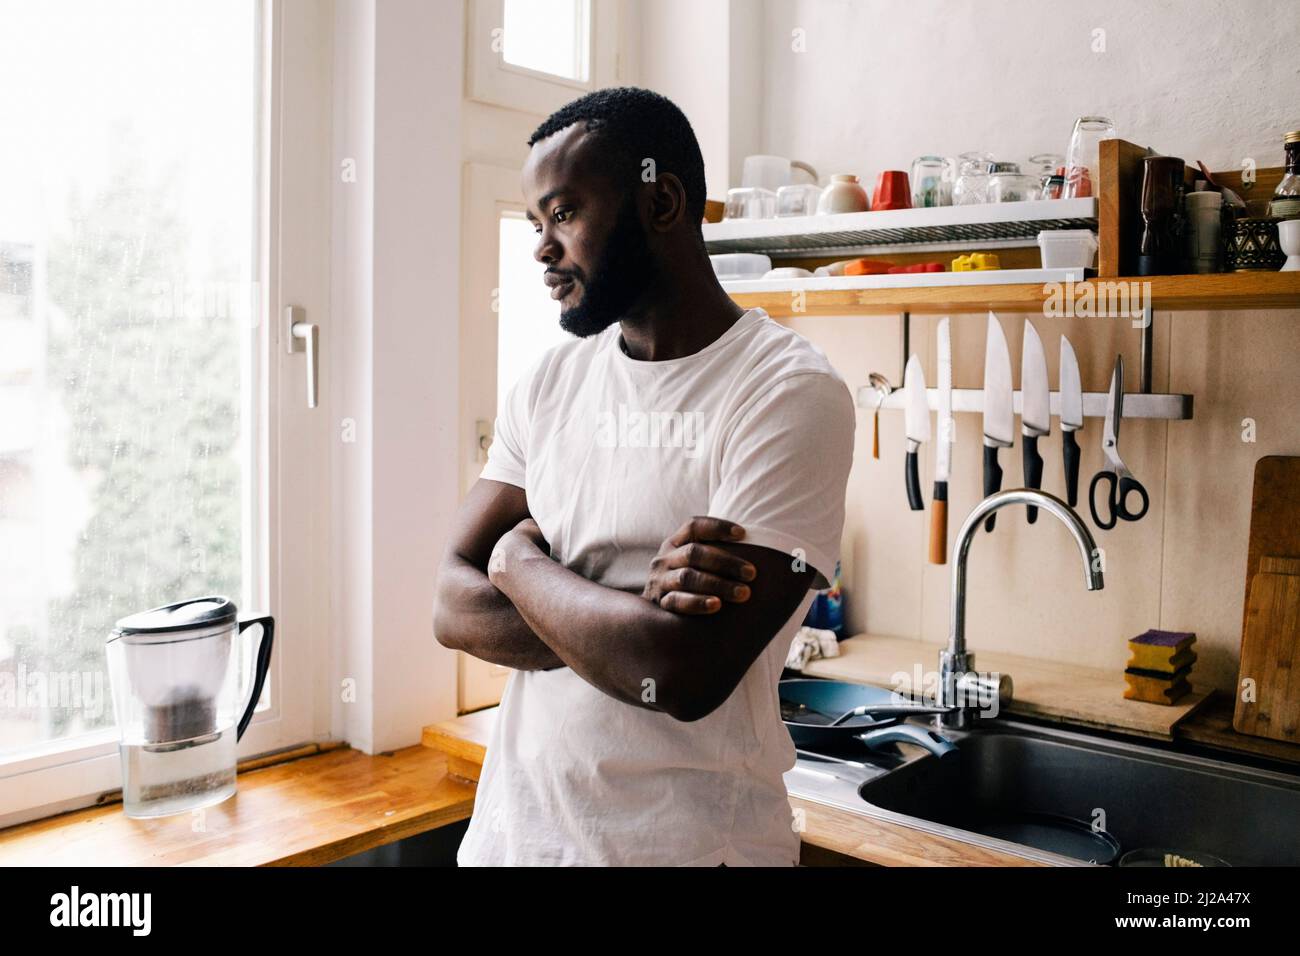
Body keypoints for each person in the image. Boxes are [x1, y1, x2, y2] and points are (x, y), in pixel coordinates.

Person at [433, 86, 855, 866]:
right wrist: (625, 618)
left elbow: (682, 673)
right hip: (513, 845)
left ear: (662, 202)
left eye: (563, 214)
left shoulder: (788, 392)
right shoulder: (550, 384)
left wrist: (520, 562)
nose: (541, 247)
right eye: (534, 223)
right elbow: (451, 605)